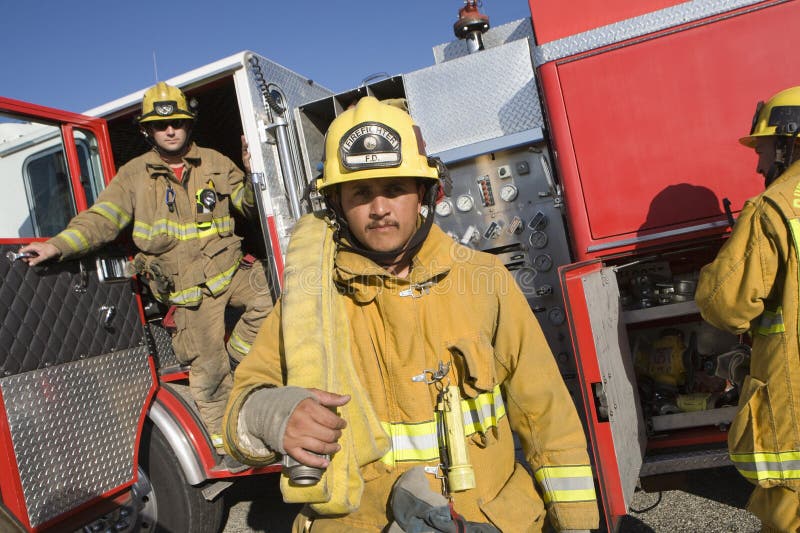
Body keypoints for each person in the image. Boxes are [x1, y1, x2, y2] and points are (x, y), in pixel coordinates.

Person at [222, 96, 599, 532]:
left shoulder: (484, 279)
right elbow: (237, 418)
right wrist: (274, 416)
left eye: (395, 188)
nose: (379, 208)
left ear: (423, 192)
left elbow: (546, 411)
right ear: (336, 202)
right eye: (361, 193)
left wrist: (576, 523)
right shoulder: (310, 301)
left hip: (486, 518)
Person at [20, 82, 273, 469]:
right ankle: (227, 445)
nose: (170, 130)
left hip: (231, 272)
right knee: (209, 373)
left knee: (274, 294)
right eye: (160, 125)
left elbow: (248, 205)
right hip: (188, 295)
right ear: (147, 130)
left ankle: (239, 358)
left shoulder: (216, 162)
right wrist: (58, 246)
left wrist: (255, 174)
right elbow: (102, 220)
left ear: (188, 124)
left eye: (177, 123)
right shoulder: (134, 176)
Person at [696, 86, 800, 532]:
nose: (759, 164)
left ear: (789, 142)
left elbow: (724, 305)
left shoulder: (774, 208)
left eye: (763, 149)